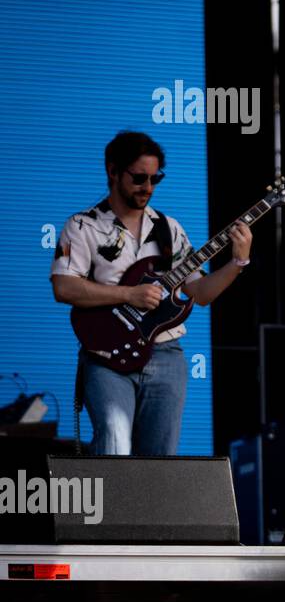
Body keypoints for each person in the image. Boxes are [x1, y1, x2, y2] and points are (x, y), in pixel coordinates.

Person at [50, 130, 251, 455]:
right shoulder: (83, 225)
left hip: (167, 355)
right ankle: (108, 508)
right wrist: (129, 295)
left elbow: (200, 292)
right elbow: (64, 286)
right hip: (105, 358)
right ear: (113, 171)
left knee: (159, 463)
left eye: (155, 178)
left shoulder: (169, 229)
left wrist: (238, 261)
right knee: (114, 444)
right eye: (139, 178)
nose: (148, 187)